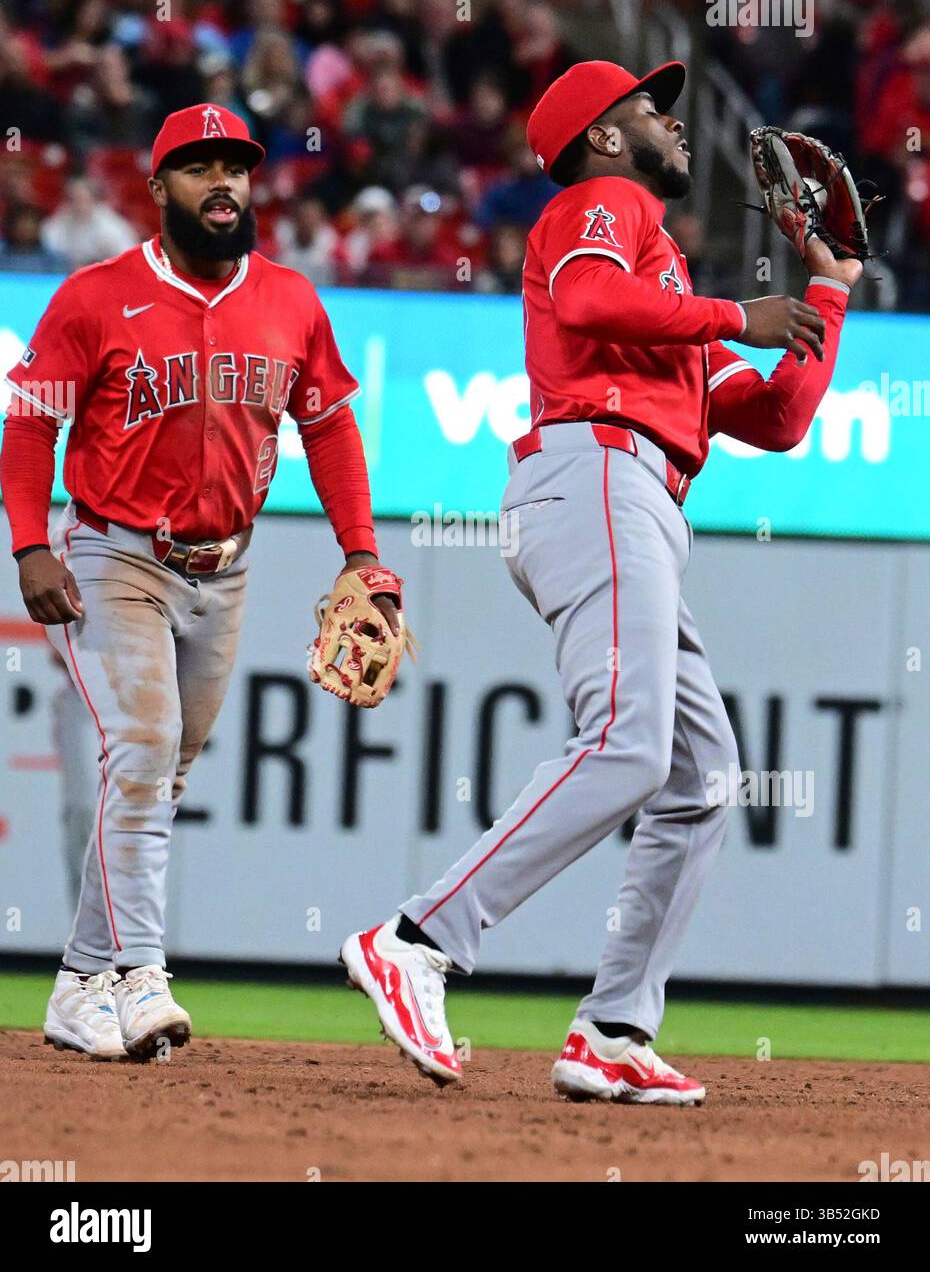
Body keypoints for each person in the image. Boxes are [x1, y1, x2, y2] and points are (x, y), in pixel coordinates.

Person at [340, 60, 861, 1100]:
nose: (670, 120)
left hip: (636, 495)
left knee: (700, 774)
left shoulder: (660, 266)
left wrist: (828, 292)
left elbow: (778, 418)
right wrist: (730, 313)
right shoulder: (602, 203)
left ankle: (614, 1029)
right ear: (606, 137)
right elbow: (584, 297)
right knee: (628, 744)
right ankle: (418, 937)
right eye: (649, 108)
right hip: (598, 472)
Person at [0, 102, 403, 1061]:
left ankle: (74, 986)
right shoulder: (96, 296)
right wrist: (28, 546)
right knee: (139, 755)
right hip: (113, 553)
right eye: (198, 167)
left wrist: (362, 554)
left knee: (162, 776)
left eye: (236, 167)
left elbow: (332, 429)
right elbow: (27, 425)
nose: (222, 183)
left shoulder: (292, 300)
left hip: (225, 567)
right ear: (158, 189)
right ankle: (142, 976)